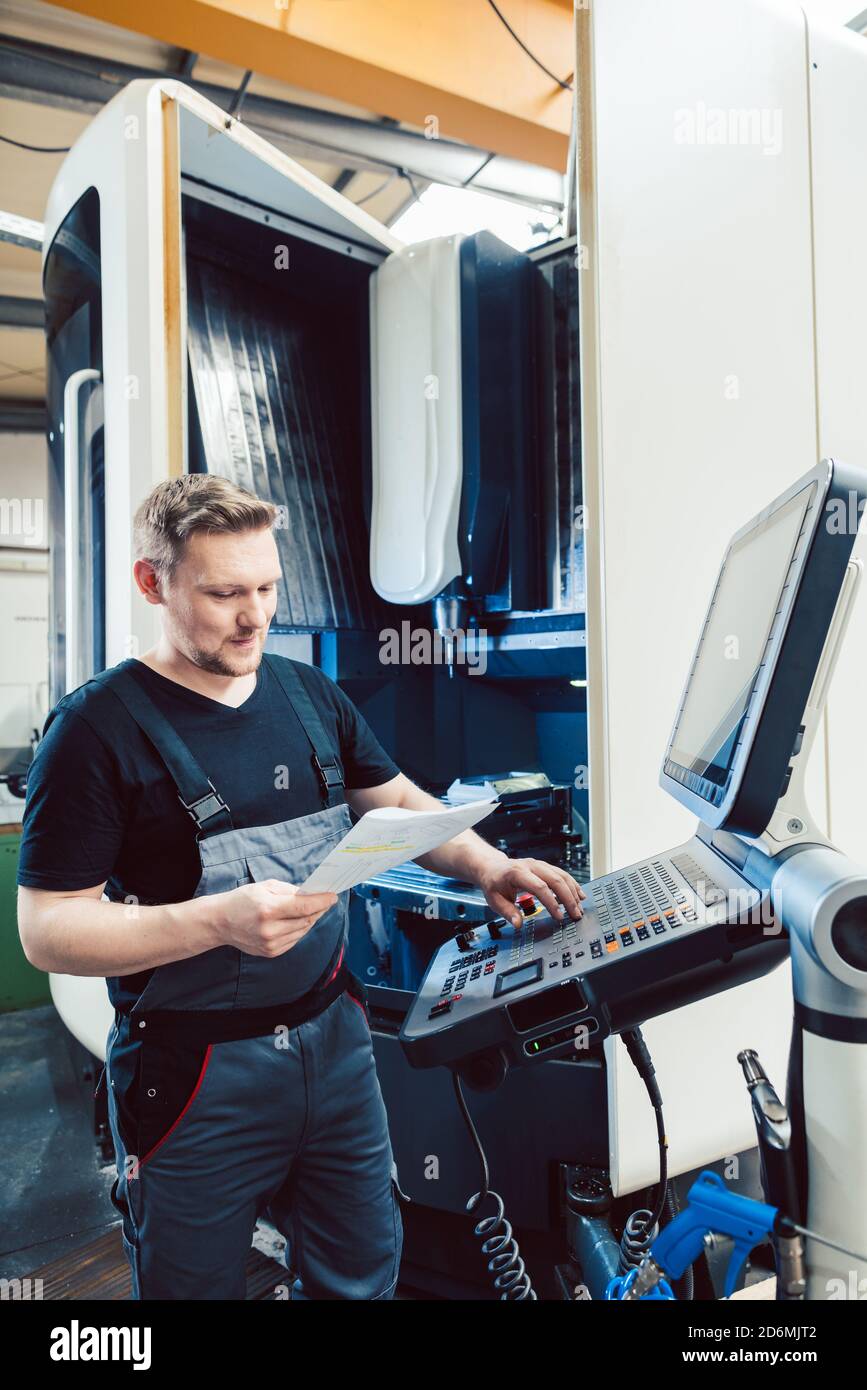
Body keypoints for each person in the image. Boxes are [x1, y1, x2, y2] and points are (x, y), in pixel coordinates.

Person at [16, 473, 586, 1301]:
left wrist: (486, 863)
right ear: (152, 583)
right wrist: (217, 922)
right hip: (194, 1070)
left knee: (359, 1278)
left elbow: (391, 801)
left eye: (267, 588)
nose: (255, 616)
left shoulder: (308, 695)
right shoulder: (96, 731)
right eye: (223, 593)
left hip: (336, 1044)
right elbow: (50, 929)